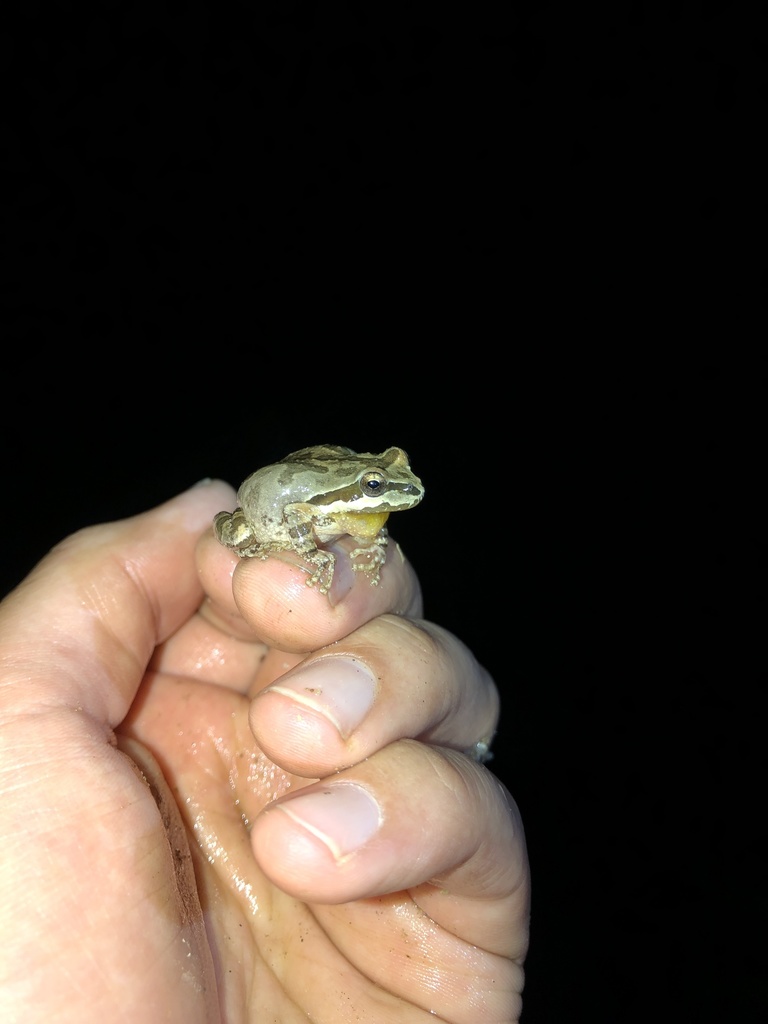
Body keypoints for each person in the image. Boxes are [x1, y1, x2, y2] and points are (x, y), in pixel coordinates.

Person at [0, 479, 530, 1022]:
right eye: (374, 486)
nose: (399, 488)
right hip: (268, 518)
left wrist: (365, 550)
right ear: (355, 487)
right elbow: (294, 517)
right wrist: (311, 556)